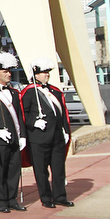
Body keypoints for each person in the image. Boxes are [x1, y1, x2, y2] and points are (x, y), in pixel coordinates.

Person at [20, 57, 74, 208]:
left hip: (56, 136)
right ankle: (46, 198)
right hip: (39, 138)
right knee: (41, 171)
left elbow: (62, 112)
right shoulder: (29, 92)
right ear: (36, 75)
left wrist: (65, 130)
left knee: (58, 169)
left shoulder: (54, 91)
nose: (47, 75)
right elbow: (23, 113)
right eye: (44, 73)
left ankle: (60, 196)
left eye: (47, 72)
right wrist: (34, 122)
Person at [0, 52, 27, 213]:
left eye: (9, 71)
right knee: (1, 170)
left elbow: (20, 115)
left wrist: (22, 135)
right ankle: (1, 200)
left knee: (14, 169)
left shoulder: (15, 93)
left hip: (15, 137)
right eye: (5, 71)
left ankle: (12, 199)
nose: (8, 74)